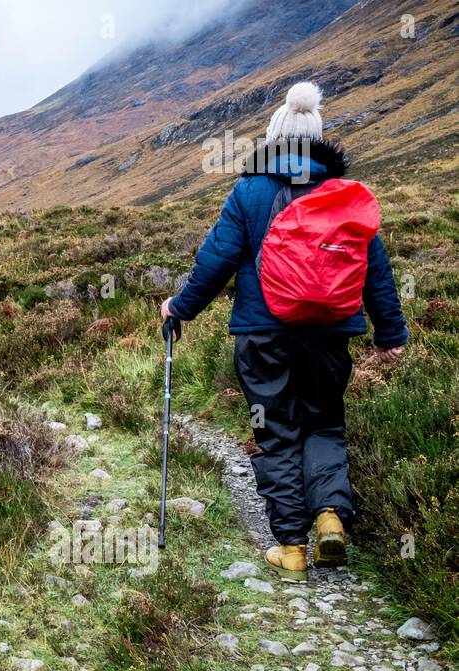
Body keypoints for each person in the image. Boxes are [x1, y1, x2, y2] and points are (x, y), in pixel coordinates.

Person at [161, 82, 408, 581]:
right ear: (318, 141)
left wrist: (179, 309)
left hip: (261, 335)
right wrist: (391, 334)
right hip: (331, 333)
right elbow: (375, 269)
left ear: (274, 138)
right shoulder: (343, 197)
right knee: (324, 424)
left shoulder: (250, 192)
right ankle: (330, 515)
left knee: (272, 432)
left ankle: (292, 548)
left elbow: (216, 261)